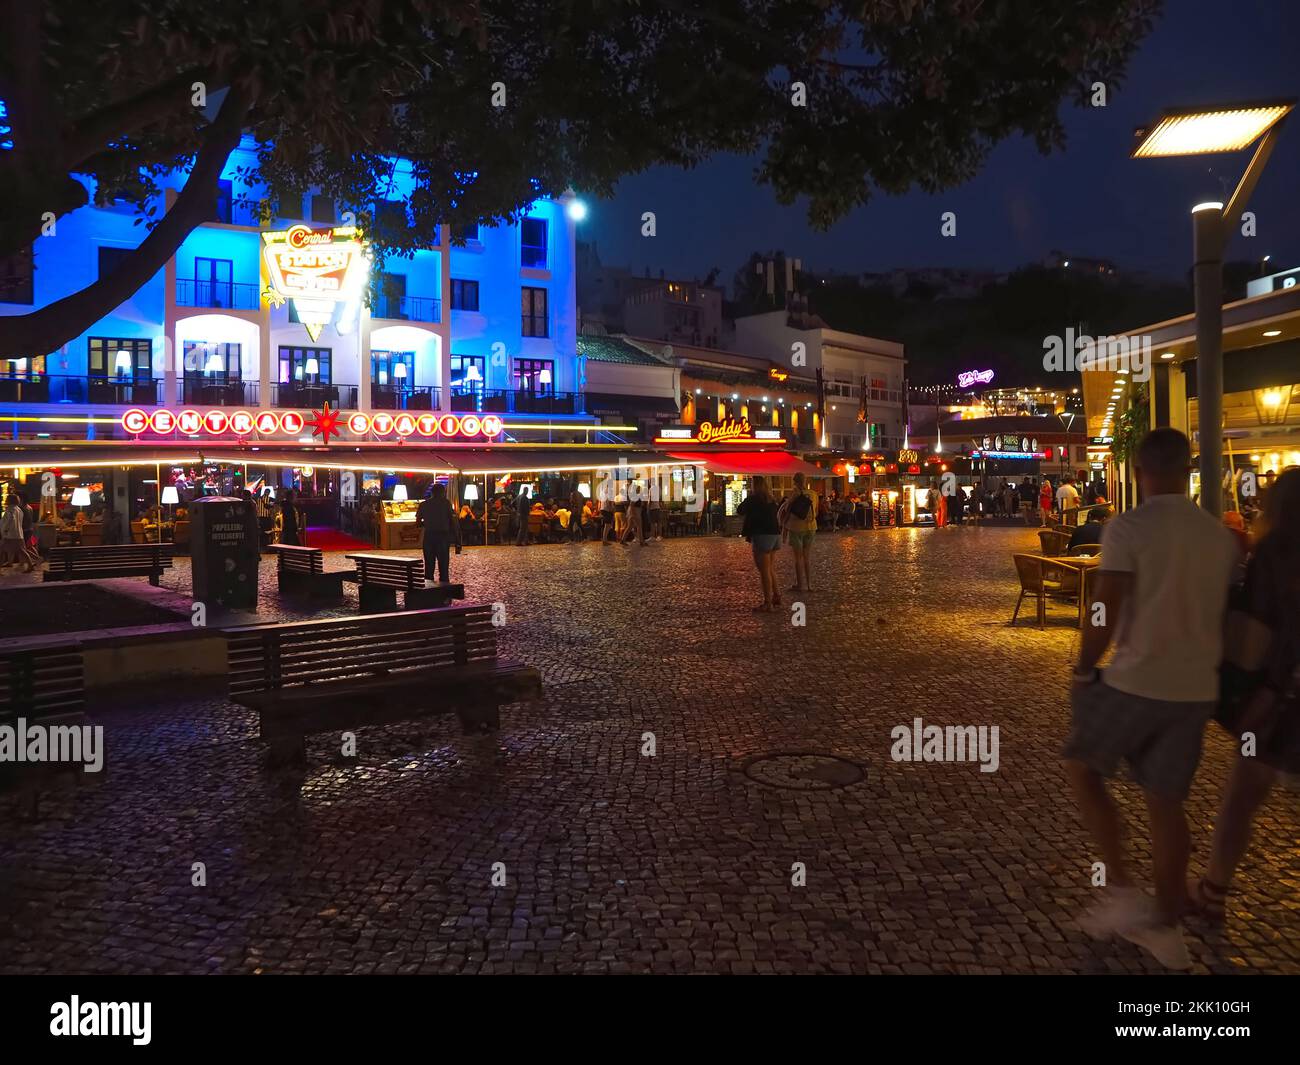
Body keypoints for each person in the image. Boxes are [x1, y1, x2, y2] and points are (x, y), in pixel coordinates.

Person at [1062, 428, 1238, 970]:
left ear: (1140, 471)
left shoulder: (1129, 527)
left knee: (1083, 769)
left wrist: (1085, 666)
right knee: (1166, 803)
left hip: (1138, 680)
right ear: (1188, 471)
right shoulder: (1219, 536)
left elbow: (1105, 606)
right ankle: (1165, 928)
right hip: (1195, 689)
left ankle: (1121, 890)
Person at [1192, 467, 1300, 924]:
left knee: (1242, 797)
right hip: (1284, 695)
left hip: (1278, 702)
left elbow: (1259, 631)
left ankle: (1214, 890)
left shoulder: (1272, 553)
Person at [737, 476, 781, 612]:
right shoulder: (771, 499)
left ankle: (768, 603)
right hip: (775, 534)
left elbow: (740, 510)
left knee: (764, 571)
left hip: (762, 535)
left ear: (754, 486)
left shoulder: (753, 499)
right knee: (770, 568)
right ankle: (776, 595)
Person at [415, 482, 462, 584]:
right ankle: (444, 593)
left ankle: (428, 592)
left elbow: (417, 523)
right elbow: (453, 522)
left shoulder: (423, 505)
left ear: (432, 492)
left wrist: (427, 523)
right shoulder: (446, 504)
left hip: (429, 537)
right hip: (443, 537)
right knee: (443, 568)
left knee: (429, 567)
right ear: (443, 492)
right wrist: (458, 541)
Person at [780, 471, 818, 593]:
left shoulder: (794, 494)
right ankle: (809, 584)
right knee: (806, 556)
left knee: (798, 558)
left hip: (796, 527)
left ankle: (800, 584)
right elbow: (816, 511)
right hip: (811, 527)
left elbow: (786, 509)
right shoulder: (813, 494)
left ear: (795, 482)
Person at [1, 493, 35, 572]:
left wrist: (5, 529)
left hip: (10, 535)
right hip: (19, 533)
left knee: (2, 550)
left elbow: (10, 519)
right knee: (22, 550)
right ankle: (30, 565)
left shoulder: (10, 509)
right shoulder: (19, 510)